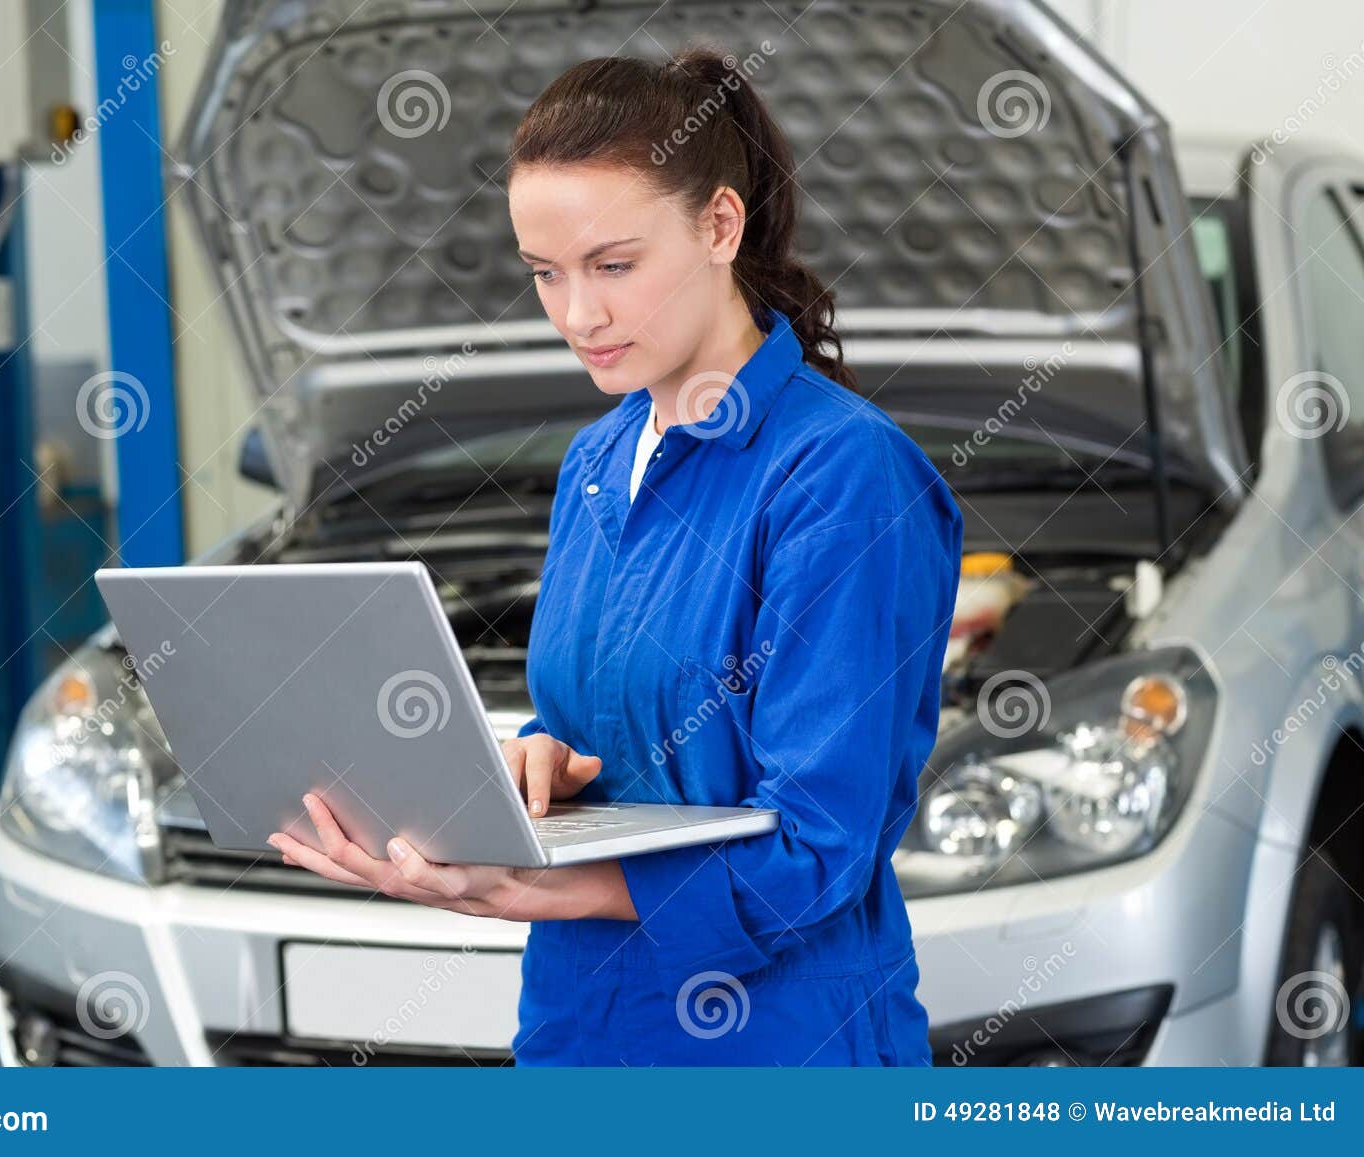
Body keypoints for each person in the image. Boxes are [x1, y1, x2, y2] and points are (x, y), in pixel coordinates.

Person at [268, 44, 963, 1066]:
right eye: (545, 274)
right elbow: (605, 714)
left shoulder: (841, 477)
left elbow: (820, 845)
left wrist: (539, 885)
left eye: (612, 265)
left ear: (720, 224)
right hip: (578, 1024)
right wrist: (539, 762)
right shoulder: (594, 462)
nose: (576, 315)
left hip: (777, 1049)